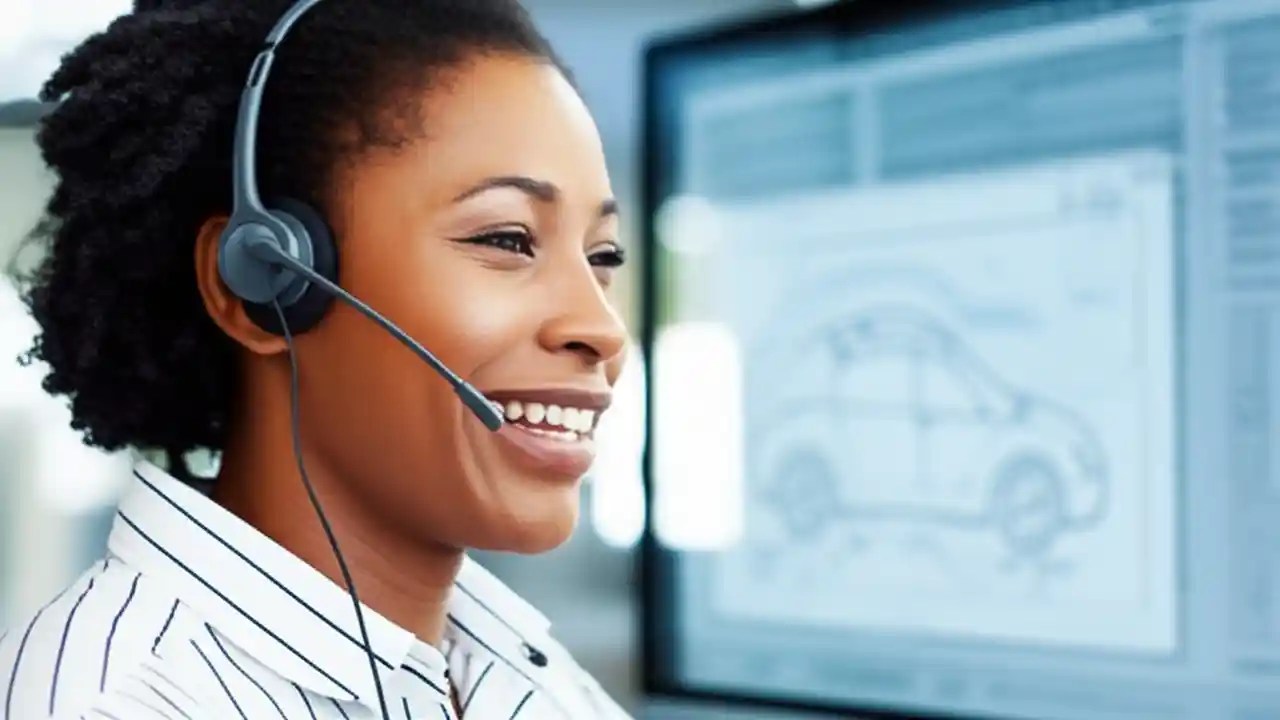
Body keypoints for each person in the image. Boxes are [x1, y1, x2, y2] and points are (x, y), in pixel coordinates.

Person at [0, 0, 634, 717]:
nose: (602, 328)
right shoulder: (117, 703)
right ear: (264, 281)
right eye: (506, 239)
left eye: (603, 256)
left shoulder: (540, 682)